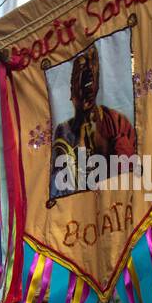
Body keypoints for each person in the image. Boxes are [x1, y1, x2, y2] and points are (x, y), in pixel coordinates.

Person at [50, 43, 136, 199]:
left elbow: (128, 180)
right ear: (72, 88)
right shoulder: (62, 133)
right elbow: (58, 189)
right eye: (82, 69)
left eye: (93, 68)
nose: (89, 73)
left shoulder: (117, 123)